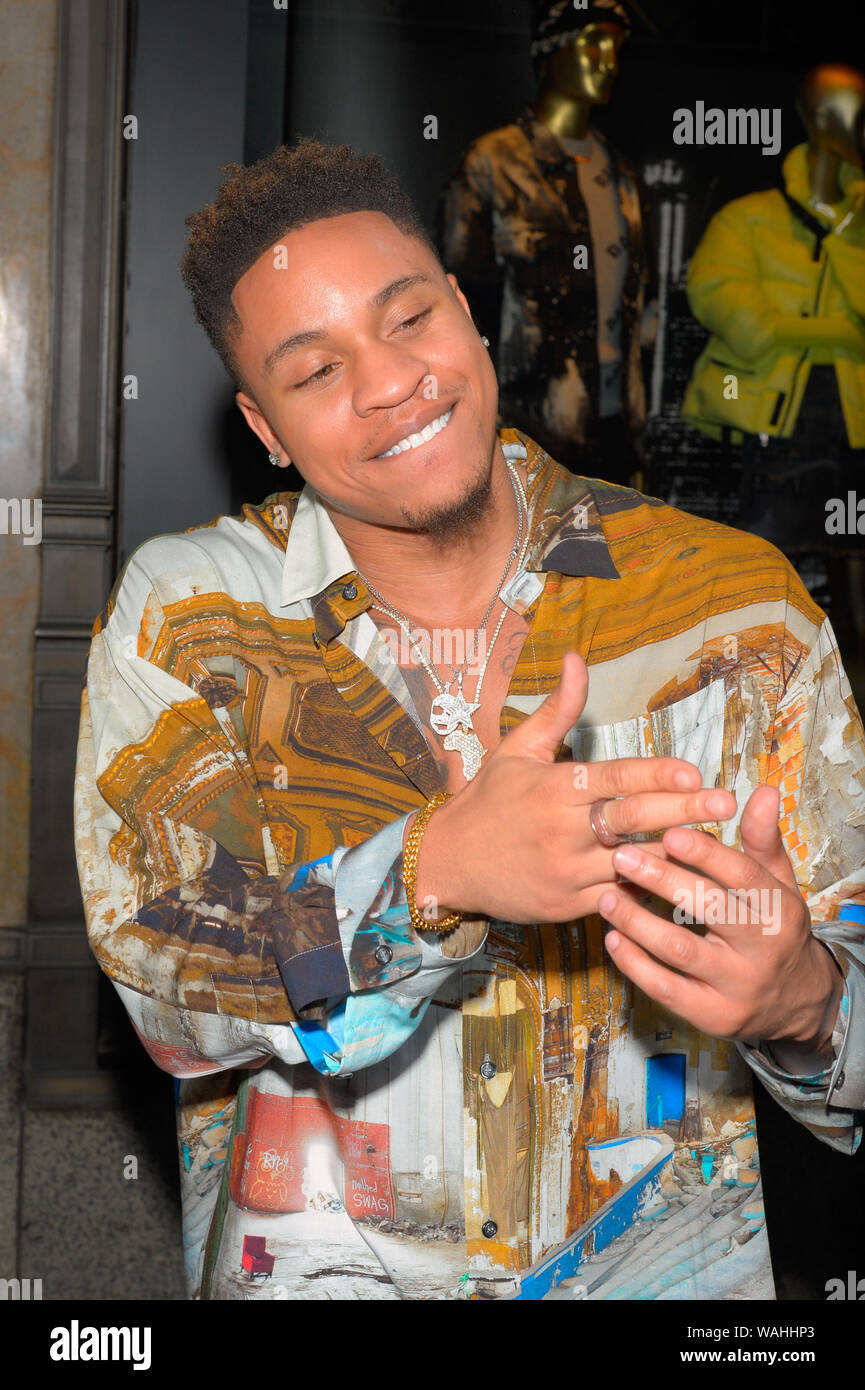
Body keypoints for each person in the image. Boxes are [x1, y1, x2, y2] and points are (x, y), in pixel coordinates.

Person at [73, 138, 865, 1302]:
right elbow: (158, 981)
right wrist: (433, 871)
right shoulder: (193, 611)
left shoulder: (731, 601)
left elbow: (847, 978)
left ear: (465, 309)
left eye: (407, 319)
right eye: (315, 370)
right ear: (266, 428)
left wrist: (804, 999)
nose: (391, 381)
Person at [437, 0, 654, 483]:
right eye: (594, 43)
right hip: (527, 432)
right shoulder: (494, 164)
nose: (610, 62)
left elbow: (639, 309)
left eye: (617, 48)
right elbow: (456, 305)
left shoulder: (623, 177)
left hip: (618, 433)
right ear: (550, 48)